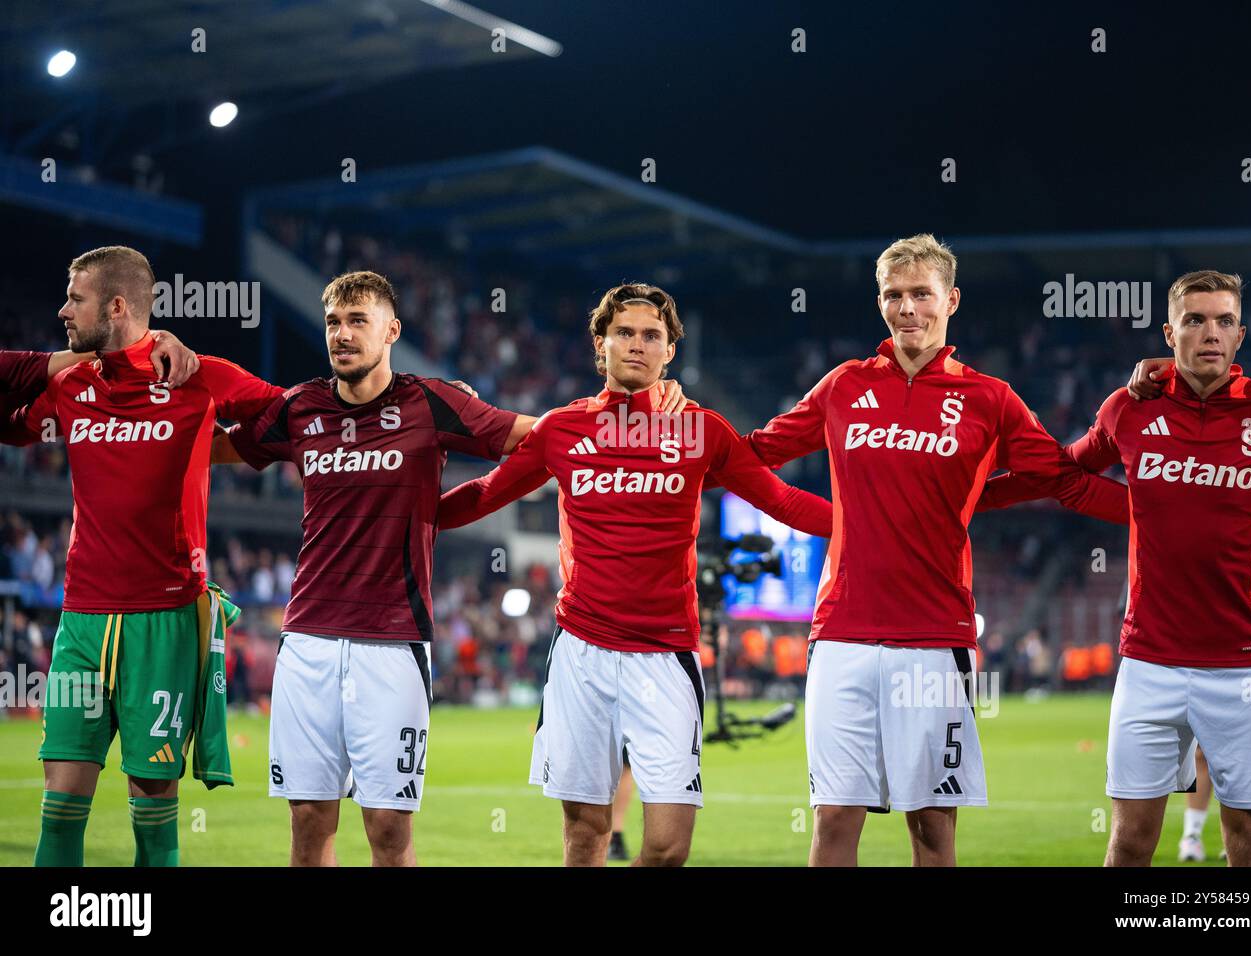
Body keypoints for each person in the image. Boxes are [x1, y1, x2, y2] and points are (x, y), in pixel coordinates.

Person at [214, 271, 692, 866]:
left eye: (358, 321)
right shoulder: (300, 408)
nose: (343, 334)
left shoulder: (432, 401)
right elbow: (219, 445)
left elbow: (539, 436)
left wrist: (642, 405)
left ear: (391, 330)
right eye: (334, 322)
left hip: (393, 641)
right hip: (306, 638)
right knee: (309, 826)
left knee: (388, 831)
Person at [739, 233, 1128, 866]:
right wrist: (678, 431)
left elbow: (1062, 478)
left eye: (921, 293)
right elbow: (755, 451)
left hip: (933, 637)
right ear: (880, 304)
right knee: (834, 819)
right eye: (893, 295)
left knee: (931, 826)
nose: (907, 308)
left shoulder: (990, 399)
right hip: (841, 631)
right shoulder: (843, 386)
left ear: (951, 300)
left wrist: (1155, 511)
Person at [439, 282, 833, 866]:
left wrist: (878, 527)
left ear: (670, 350)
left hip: (667, 653)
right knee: (585, 833)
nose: (637, 345)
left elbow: (782, 501)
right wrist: (401, 510)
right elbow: (483, 496)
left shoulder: (700, 430)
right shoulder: (562, 430)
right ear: (601, 344)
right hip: (581, 652)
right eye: (624, 332)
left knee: (669, 844)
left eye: (652, 336)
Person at [980, 270, 1251, 867]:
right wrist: (971, 497)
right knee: (1128, 841)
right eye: (1195, 320)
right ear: (1168, 332)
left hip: (1248, 663)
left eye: (1224, 321)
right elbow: (1064, 471)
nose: (1211, 332)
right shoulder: (1128, 408)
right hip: (1149, 662)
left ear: (1242, 334)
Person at [3, 245, 268, 867]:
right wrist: (71, 359)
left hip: (166, 620)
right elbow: (12, 414)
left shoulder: (198, 377)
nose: (62, 309)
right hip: (81, 622)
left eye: (76, 298)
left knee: (153, 816)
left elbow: (287, 418)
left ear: (117, 305)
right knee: (60, 809)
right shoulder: (72, 383)